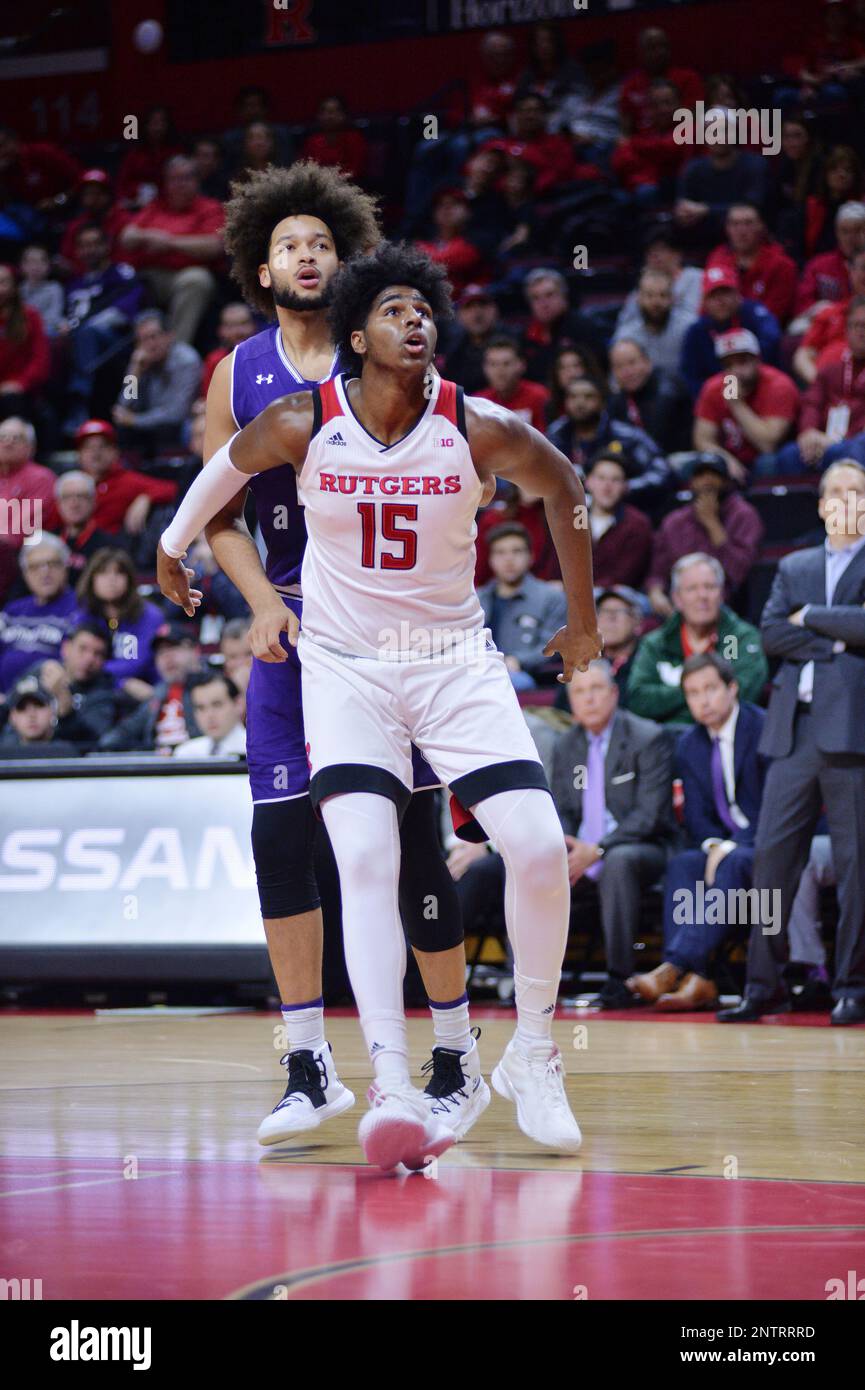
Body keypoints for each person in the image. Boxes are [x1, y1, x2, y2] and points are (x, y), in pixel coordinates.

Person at [157, 239, 603, 1166]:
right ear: (356, 334)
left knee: (534, 848)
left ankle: (529, 1050)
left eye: (423, 308)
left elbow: (566, 492)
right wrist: (173, 541)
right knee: (360, 859)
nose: (415, 320)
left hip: (451, 663)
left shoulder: (475, 425)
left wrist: (582, 623)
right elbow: (222, 473)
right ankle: (392, 1086)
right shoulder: (298, 420)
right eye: (394, 309)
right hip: (348, 669)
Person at [195, 164, 484, 1148]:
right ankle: (308, 1065)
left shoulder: (393, 359)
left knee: (407, 846)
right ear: (260, 266)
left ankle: (454, 1051)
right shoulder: (236, 374)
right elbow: (216, 512)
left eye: (320, 242)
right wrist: (256, 600)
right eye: (289, 244)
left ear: (343, 259)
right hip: (291, 633)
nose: (306, 255)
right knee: (280, 837)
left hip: (383, 635)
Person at [719, 461, 865, 1026]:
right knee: (772, 864)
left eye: (856, 491)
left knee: (856, 869)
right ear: (822, 503)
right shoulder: (797, 564)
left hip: (851, 731)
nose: (845, 499)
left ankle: (852, 986)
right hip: (792, 731)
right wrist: (835, 642)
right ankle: (765, 985)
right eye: (835, 491)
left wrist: (815, 619)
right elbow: (770, 632)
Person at [628, 653, 768, 1012]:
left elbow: (779, 809)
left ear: (732, 688)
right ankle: (700, 980)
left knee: (734, 864)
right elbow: (695, 815)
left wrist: (732, 845)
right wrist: (714, 844)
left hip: (768, 843)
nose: (702, 700)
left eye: (710, 689)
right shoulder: (689, 743)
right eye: (692, 693)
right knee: (684, 865)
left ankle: (674, 966)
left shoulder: (764, 728)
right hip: (724, 846)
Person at [552, 659, 674, 1006]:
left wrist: (600, 848)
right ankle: (533, 984)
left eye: (596, 689)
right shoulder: (566, 745)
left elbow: (650, 816)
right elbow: (561, 810)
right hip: (586, 849)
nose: (588, 699)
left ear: (615, 693)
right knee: (535, 861)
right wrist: (566, 847)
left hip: (644, 848)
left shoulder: (648, 737)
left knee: (618, 861)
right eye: (579, 692)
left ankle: (619, 979)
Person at [626, 552, 768, 724]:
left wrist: (675, 708)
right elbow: (639, 699)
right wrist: (702, 691)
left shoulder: (735, 638)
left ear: (721, 594)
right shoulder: (657, 644)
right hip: (668, 740)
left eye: (709, 587)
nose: (702, 596)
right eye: (692, 589)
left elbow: (742, 693)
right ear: (677, 598)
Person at [118, 156, 225, 343]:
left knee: (196, 279)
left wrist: (169, 242)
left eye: (186, 178)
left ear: (197, 181)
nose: (180, 184)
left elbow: (214, 246)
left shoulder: (210, 207)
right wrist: (150, 236)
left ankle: (175, 350)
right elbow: (127, 237)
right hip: (150, 277)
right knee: (123, 278)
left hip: (188, 274)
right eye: (174, 179)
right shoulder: (155, 206)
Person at [646, 452, 764, 614]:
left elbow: (739, 572)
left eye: (714, 475)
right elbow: (658, 571)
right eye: (701, 475)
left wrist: (712, 523)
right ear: (691, 482)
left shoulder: (743, 515)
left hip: (728, 605)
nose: (707, 480)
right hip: (679, 604)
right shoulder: (674, 522)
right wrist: (656, 593)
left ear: (726, 481)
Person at [768, 296, 865, 474]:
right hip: (824, 441)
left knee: (858, 448)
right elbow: (811, 404)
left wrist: (839, 441)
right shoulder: (830, 371)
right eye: (855, 325)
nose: (860, 332)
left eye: (864, 325)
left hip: (855, 443)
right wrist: (809, 432)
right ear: (846, 331)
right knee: (788, 456)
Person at [62, 223, 144, 431]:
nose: (152, 342)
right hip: (85, 351)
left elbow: (165, 412)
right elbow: (128, 402)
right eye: (83, 245)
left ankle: (80, 395)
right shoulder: (73, 283)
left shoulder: (177, 361)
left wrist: (135, 420)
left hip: (113, 346)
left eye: (155, 336)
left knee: (127, 401)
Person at [692, 329, 800, 483]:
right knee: (685, 464)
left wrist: (736, 404)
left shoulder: (779, 385)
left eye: (742, 361)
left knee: (768, 462)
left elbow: (768, 445)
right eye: (728, 365)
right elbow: (702, 439)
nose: (736, 371)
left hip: (765, 458)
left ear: (757, 359)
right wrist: (724, 460)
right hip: (731, 456)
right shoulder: (713, 387)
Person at [546, 377, 671, 504]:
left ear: (602, 402)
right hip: (571, 509)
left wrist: (624, 487)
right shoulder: (556, 434)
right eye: (573, 397)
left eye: (588, 396)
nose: (580, 403)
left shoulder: (626, 436)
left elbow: (661, 472)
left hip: (623, 508)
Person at [477, 523, 567, 690]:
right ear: (490, 559)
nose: (508, 559)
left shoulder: (551, 598)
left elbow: (553, 647)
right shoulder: (476, 598)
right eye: (500, 552)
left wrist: (517, 661)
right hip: (479, 670)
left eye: (517, 551)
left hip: (522, 676)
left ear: (531, 556)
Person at [98, 622, 202, 753]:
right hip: (157, 766)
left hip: (197, 763)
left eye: (174, 647)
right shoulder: (158, 694)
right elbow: (125, 731)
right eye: (160, 652)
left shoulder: (212, 687)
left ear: (195, 650)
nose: (167, 657)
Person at [678, 266, 782, 398]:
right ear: (704, 302)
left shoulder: (754, 314)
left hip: (761, 389)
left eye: (725, 293)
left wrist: (741, 373)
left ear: (738, 294)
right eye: (713, 295)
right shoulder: (697, 331)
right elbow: (691, 377)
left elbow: (772, 342)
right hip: (718, 396)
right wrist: (718, 397)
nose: (720, 301)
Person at [75, 547, 165, 699]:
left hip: (144, 689)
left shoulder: (150, 616)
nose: (112, 580)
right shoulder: (83, 616)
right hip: (96, 688)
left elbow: (139, 662)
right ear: (91, 579)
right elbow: (74, 661)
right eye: (103, 573)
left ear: (130, 579)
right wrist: (120, 683)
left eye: (119, 573)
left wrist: (94, 669)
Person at [112, 310, 202, 457]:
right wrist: (134, 372)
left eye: (154, 337)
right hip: (151, 423)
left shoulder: (186, 361)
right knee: (122, 430)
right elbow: (123, 407)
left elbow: (177, 413)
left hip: (179, 426)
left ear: (169, 336)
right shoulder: (141, 361)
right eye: (142, 340)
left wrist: (135, 420)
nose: (149, 345)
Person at [0, 535, 81, 692]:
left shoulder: (79, 608)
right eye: (35, 566)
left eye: (52, 564)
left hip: (51, 701)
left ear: (65, 568)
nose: (45, 573)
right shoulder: (12, 611)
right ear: (25, 575)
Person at [74, 418, 177, 536]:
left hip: (111, 549)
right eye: (88, 447)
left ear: (115, 452)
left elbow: (172, 489)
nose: (96, 453)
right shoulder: (70, 485)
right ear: (79, 454)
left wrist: (147, 497)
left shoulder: (127, 481)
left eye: (102, 446)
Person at [21, 621, 117, 746]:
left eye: (98, 654)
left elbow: (93, 743)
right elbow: (7, 711)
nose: (89, 659)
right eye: (82, 649)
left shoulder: (104, 695)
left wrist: (65, 704)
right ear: (66, 648)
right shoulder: (40, 671)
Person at [705, 204, 798, 326]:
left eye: (748, 223)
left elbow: (774, 314)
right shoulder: (718, 258)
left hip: (763, 333)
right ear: (727, 228)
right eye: (735, 224)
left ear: (761, 226)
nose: (741, 231)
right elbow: (706, 306)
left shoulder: (782, 265)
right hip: (719, 330)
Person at [0, 416, 58, 600]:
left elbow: (17, 534)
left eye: (16, 438)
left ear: (31, 447)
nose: (7, 443)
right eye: (2, 437)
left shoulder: (40, 478)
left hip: (18, 563)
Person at [520, 268, 608, 383]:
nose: (543, 303)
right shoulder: (527, 336)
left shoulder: (584, 328)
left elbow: (600, 370)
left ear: (564, 295)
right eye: (536, 298)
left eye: (549, 295)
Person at [793, 245, 865, 384]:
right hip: (827, 393)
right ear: (851, 271)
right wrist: (822, 385)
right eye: (863, 268)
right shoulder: (830, 312)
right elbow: (802, 356)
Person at [607, 337, 692, 453]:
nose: (627, 372)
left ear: (647, 362)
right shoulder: (616, 401)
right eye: (619, 366)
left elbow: (660, 442)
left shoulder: (669, 391)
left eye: (632, 363)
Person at [584, 451, 653, 591]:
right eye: (601, 478)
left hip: (616, 595)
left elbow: (624, 576)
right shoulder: (574, 516)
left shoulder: (638, 524)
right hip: (569, 593)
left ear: (625, 486)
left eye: (615, 480)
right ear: (588, 482)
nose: (607, 487)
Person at [611, 269, 696, 374]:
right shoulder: (626, 336)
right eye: (649, 295)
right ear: (638, 299)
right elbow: (617, 381)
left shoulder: (689, 329)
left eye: (663, 295)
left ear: (673, 298)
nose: (656, 302)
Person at [795, 199, 865, 315]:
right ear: (836, 233)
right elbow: (802, 304)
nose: (851, 238)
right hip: (825, 323)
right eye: (845, 231)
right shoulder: (819, 265)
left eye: (857, 231)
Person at [0, 263, 51, 423]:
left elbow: (40, 360)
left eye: (3, 282)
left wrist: (21, 383)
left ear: (15, 287)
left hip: (20, 391)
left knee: (12, 402)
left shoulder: (30, 316)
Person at [58, 168, 131, 276]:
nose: (93, 198)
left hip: (119, 280)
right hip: (84, 283)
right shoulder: (75, 226)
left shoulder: (125, 221)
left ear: (108, 194)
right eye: (88, 194)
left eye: (98, 193)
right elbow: (68, 261)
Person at [476, 336, 550, 434]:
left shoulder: (540, 396)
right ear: (484, 368)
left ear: (521, 365)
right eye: (493, 364)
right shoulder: (478, 403)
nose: (500, 372)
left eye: (506, 364)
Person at [51, 471, 119, 578]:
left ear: (93, 502)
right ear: (58, 504)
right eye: (67, 497)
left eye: (81, 496)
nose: (74, 504)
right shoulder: (46, 543)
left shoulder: (111, 547)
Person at [441, 284, 503, 394]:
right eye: (469, 307)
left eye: (482, 305)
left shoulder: (514, 341)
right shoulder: (453, 353)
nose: (477, 313)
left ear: (495, 310)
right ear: (459, 316)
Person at [174, 670, 246, 758]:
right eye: (201, 708)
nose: (209, 715)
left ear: (238, 704)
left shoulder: (257, 750)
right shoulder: (186, 753)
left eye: (217, 705)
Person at [0, 677, 79, 758]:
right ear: (12, 717)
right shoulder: (4, 757)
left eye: (39, 705)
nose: (31, 715)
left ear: (52, 711)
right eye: (22, 708)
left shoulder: (66, 753)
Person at [199, 303, 256, 400]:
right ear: (220, 331)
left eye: (243, 323)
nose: (238, 332)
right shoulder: (214, 360)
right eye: (231, 326)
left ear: (254, 325)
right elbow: (207, 399)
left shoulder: (268, 355)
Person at [18, 245, 64, 338]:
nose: (36, 267)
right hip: (24, 331)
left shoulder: (55, 288)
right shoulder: (18, 290)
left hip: (48, 330)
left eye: (41, 261)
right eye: (31, 262)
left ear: (48, 266)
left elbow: (54, 317)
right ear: (22, 266)